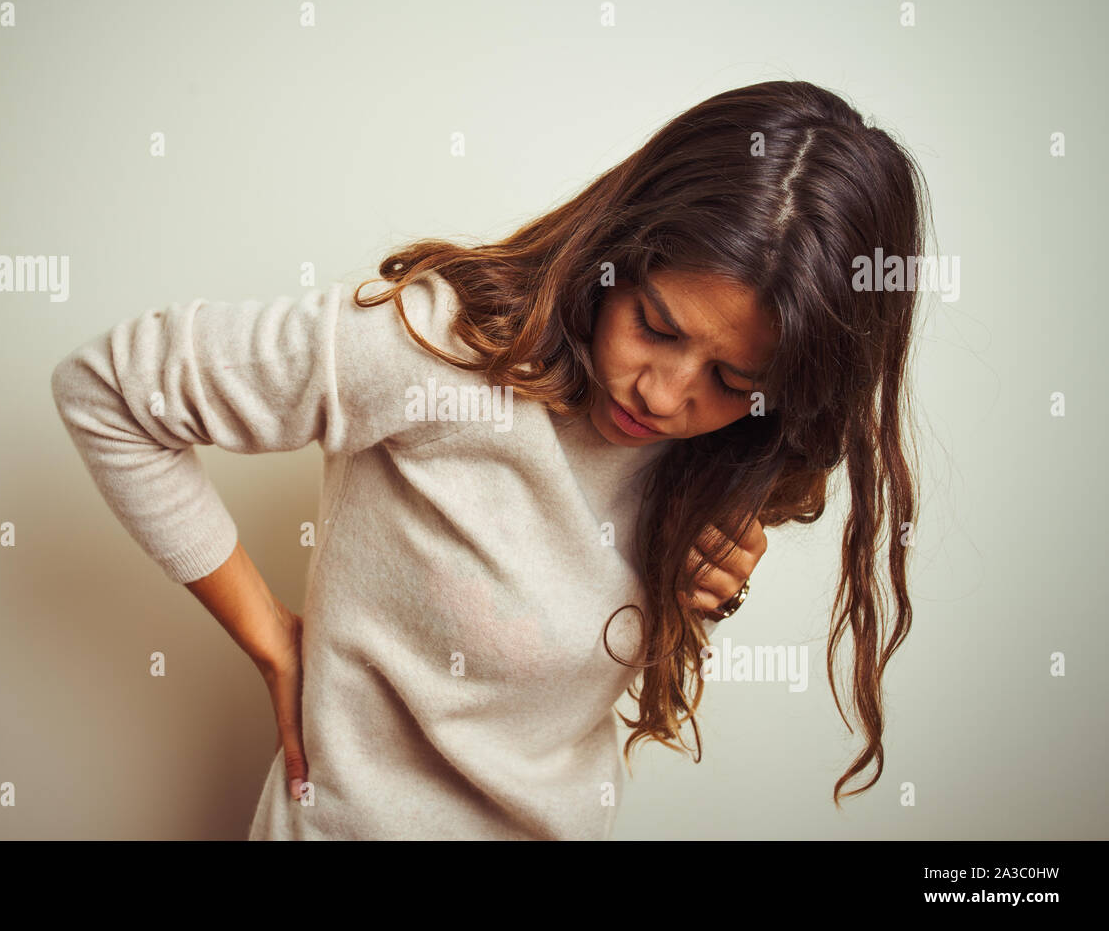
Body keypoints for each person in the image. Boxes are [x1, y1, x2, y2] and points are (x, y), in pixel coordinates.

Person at [50, 79, 928, 839]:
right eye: (656, 326)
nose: (665, 396)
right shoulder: (430, 347)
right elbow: (111, 388)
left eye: (732, 378)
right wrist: (273, 643)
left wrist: (709, 579)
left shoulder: (719, 449)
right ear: (618, 254)